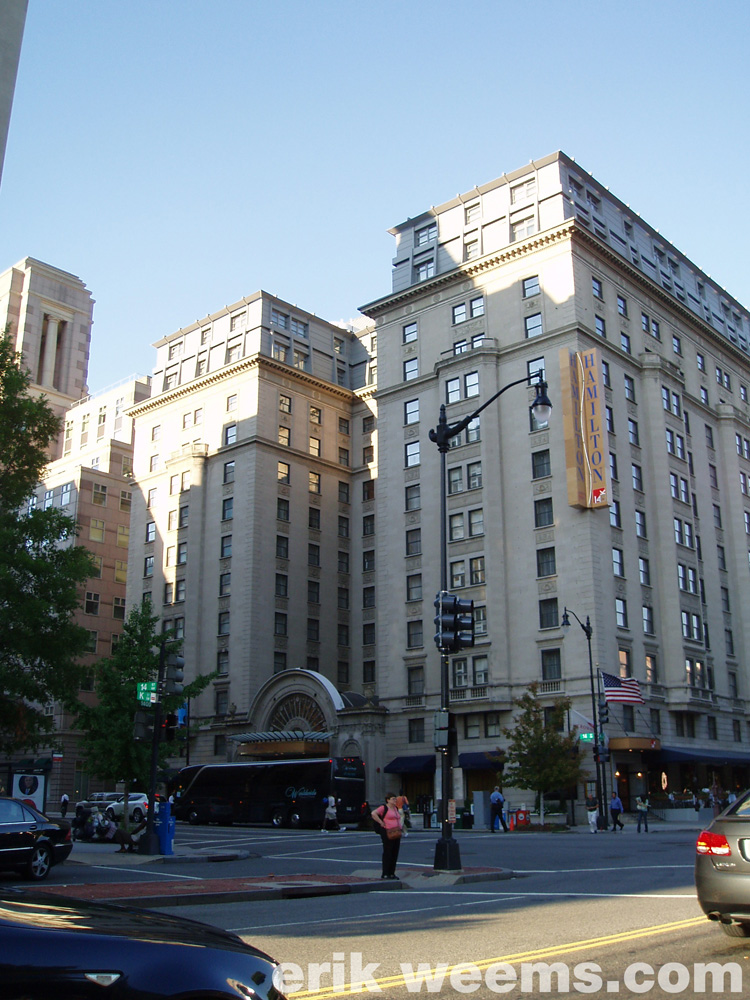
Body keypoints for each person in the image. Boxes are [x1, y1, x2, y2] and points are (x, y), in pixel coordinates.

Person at [371, 793, 402, 880]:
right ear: (388, 800)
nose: (395, 800)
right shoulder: (384, 808)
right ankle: (385, 873)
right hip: (387, 831)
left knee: (395, 852)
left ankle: (392, 872)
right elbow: (373, 813)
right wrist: (381, 822)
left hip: (396, 832)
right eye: (393, 799)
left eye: (395, 799)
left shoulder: (395, 808)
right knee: (388, 851)